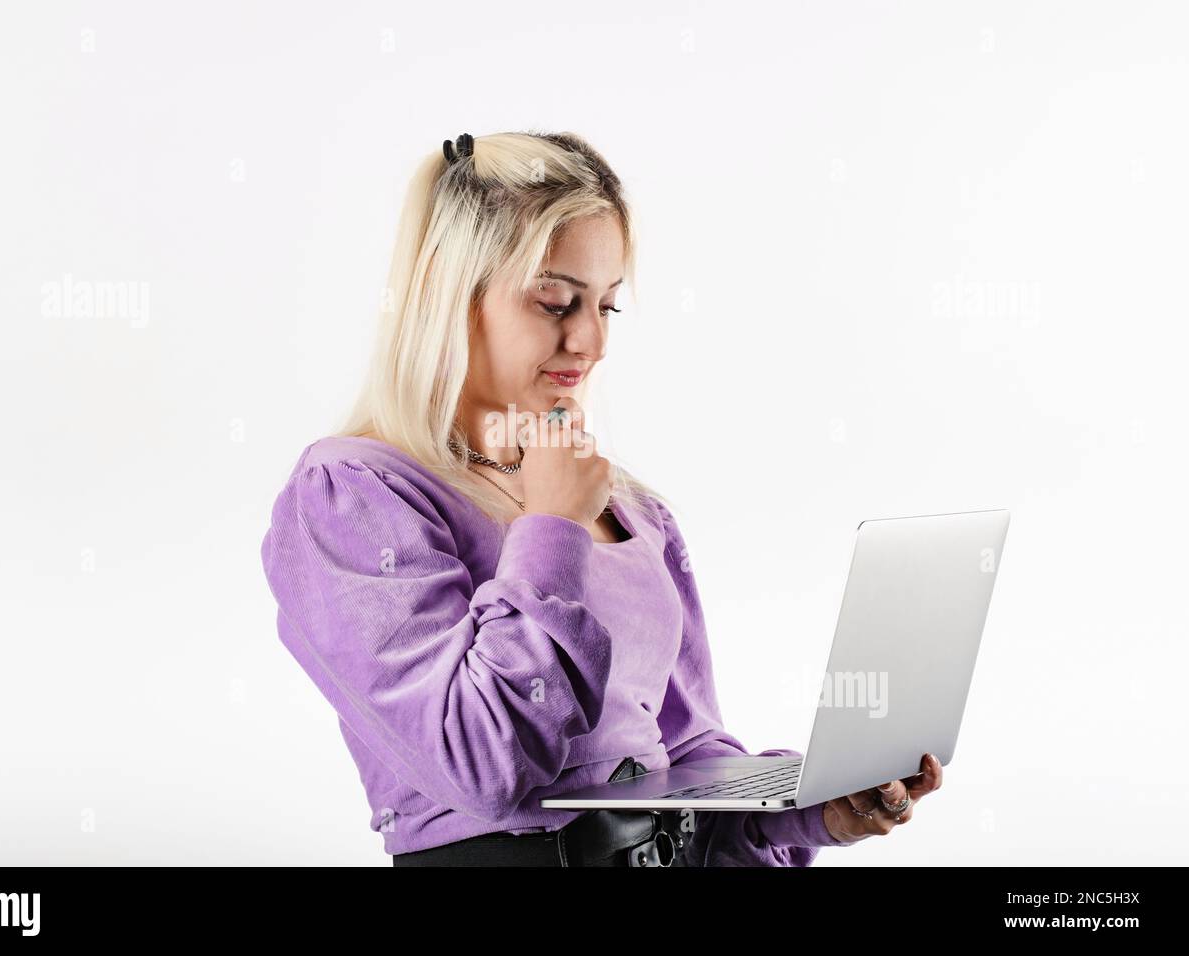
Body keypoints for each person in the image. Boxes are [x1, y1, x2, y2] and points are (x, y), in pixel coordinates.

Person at [259, 130, 943, 866]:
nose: (590, 341)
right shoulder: (353, 497)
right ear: (446, 296)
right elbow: (482, 762)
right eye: (554, 301)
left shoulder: (632, 511)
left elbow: (683, 771)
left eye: (607, 307)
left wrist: (807, 812)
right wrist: (549, 523)